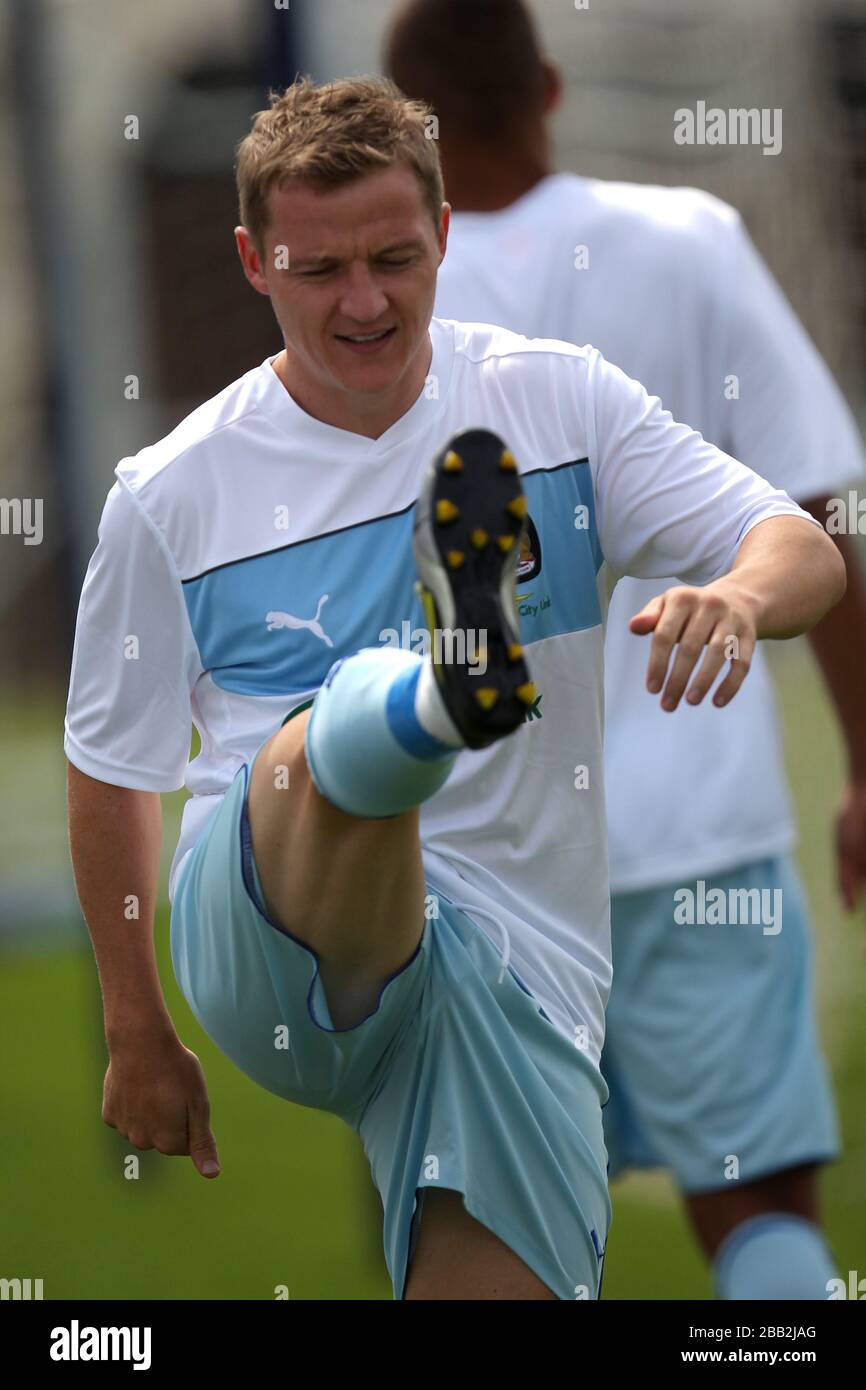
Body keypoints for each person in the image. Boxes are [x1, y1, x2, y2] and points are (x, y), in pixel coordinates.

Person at [65, 73, 845, 1302]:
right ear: (253, 260)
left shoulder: (556, 398)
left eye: (392, 257)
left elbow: (800, 543)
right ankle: (438, 692)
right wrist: (134, 1025)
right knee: (319, 742)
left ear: (442, 237)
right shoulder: (169, 490)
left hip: (512, 981)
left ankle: (437, 688)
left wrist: (738, 598)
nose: (363, 300)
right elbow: (113, 763)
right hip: (264, 930)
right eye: (318, 270)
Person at [386, 0, 866, 1298]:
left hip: (476, 863)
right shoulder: (686, 237)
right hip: (700, 829)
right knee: (759, 1213)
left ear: (404, 129)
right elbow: (820, 509)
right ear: (546, 88)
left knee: (491, 1250)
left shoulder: (372, 307)